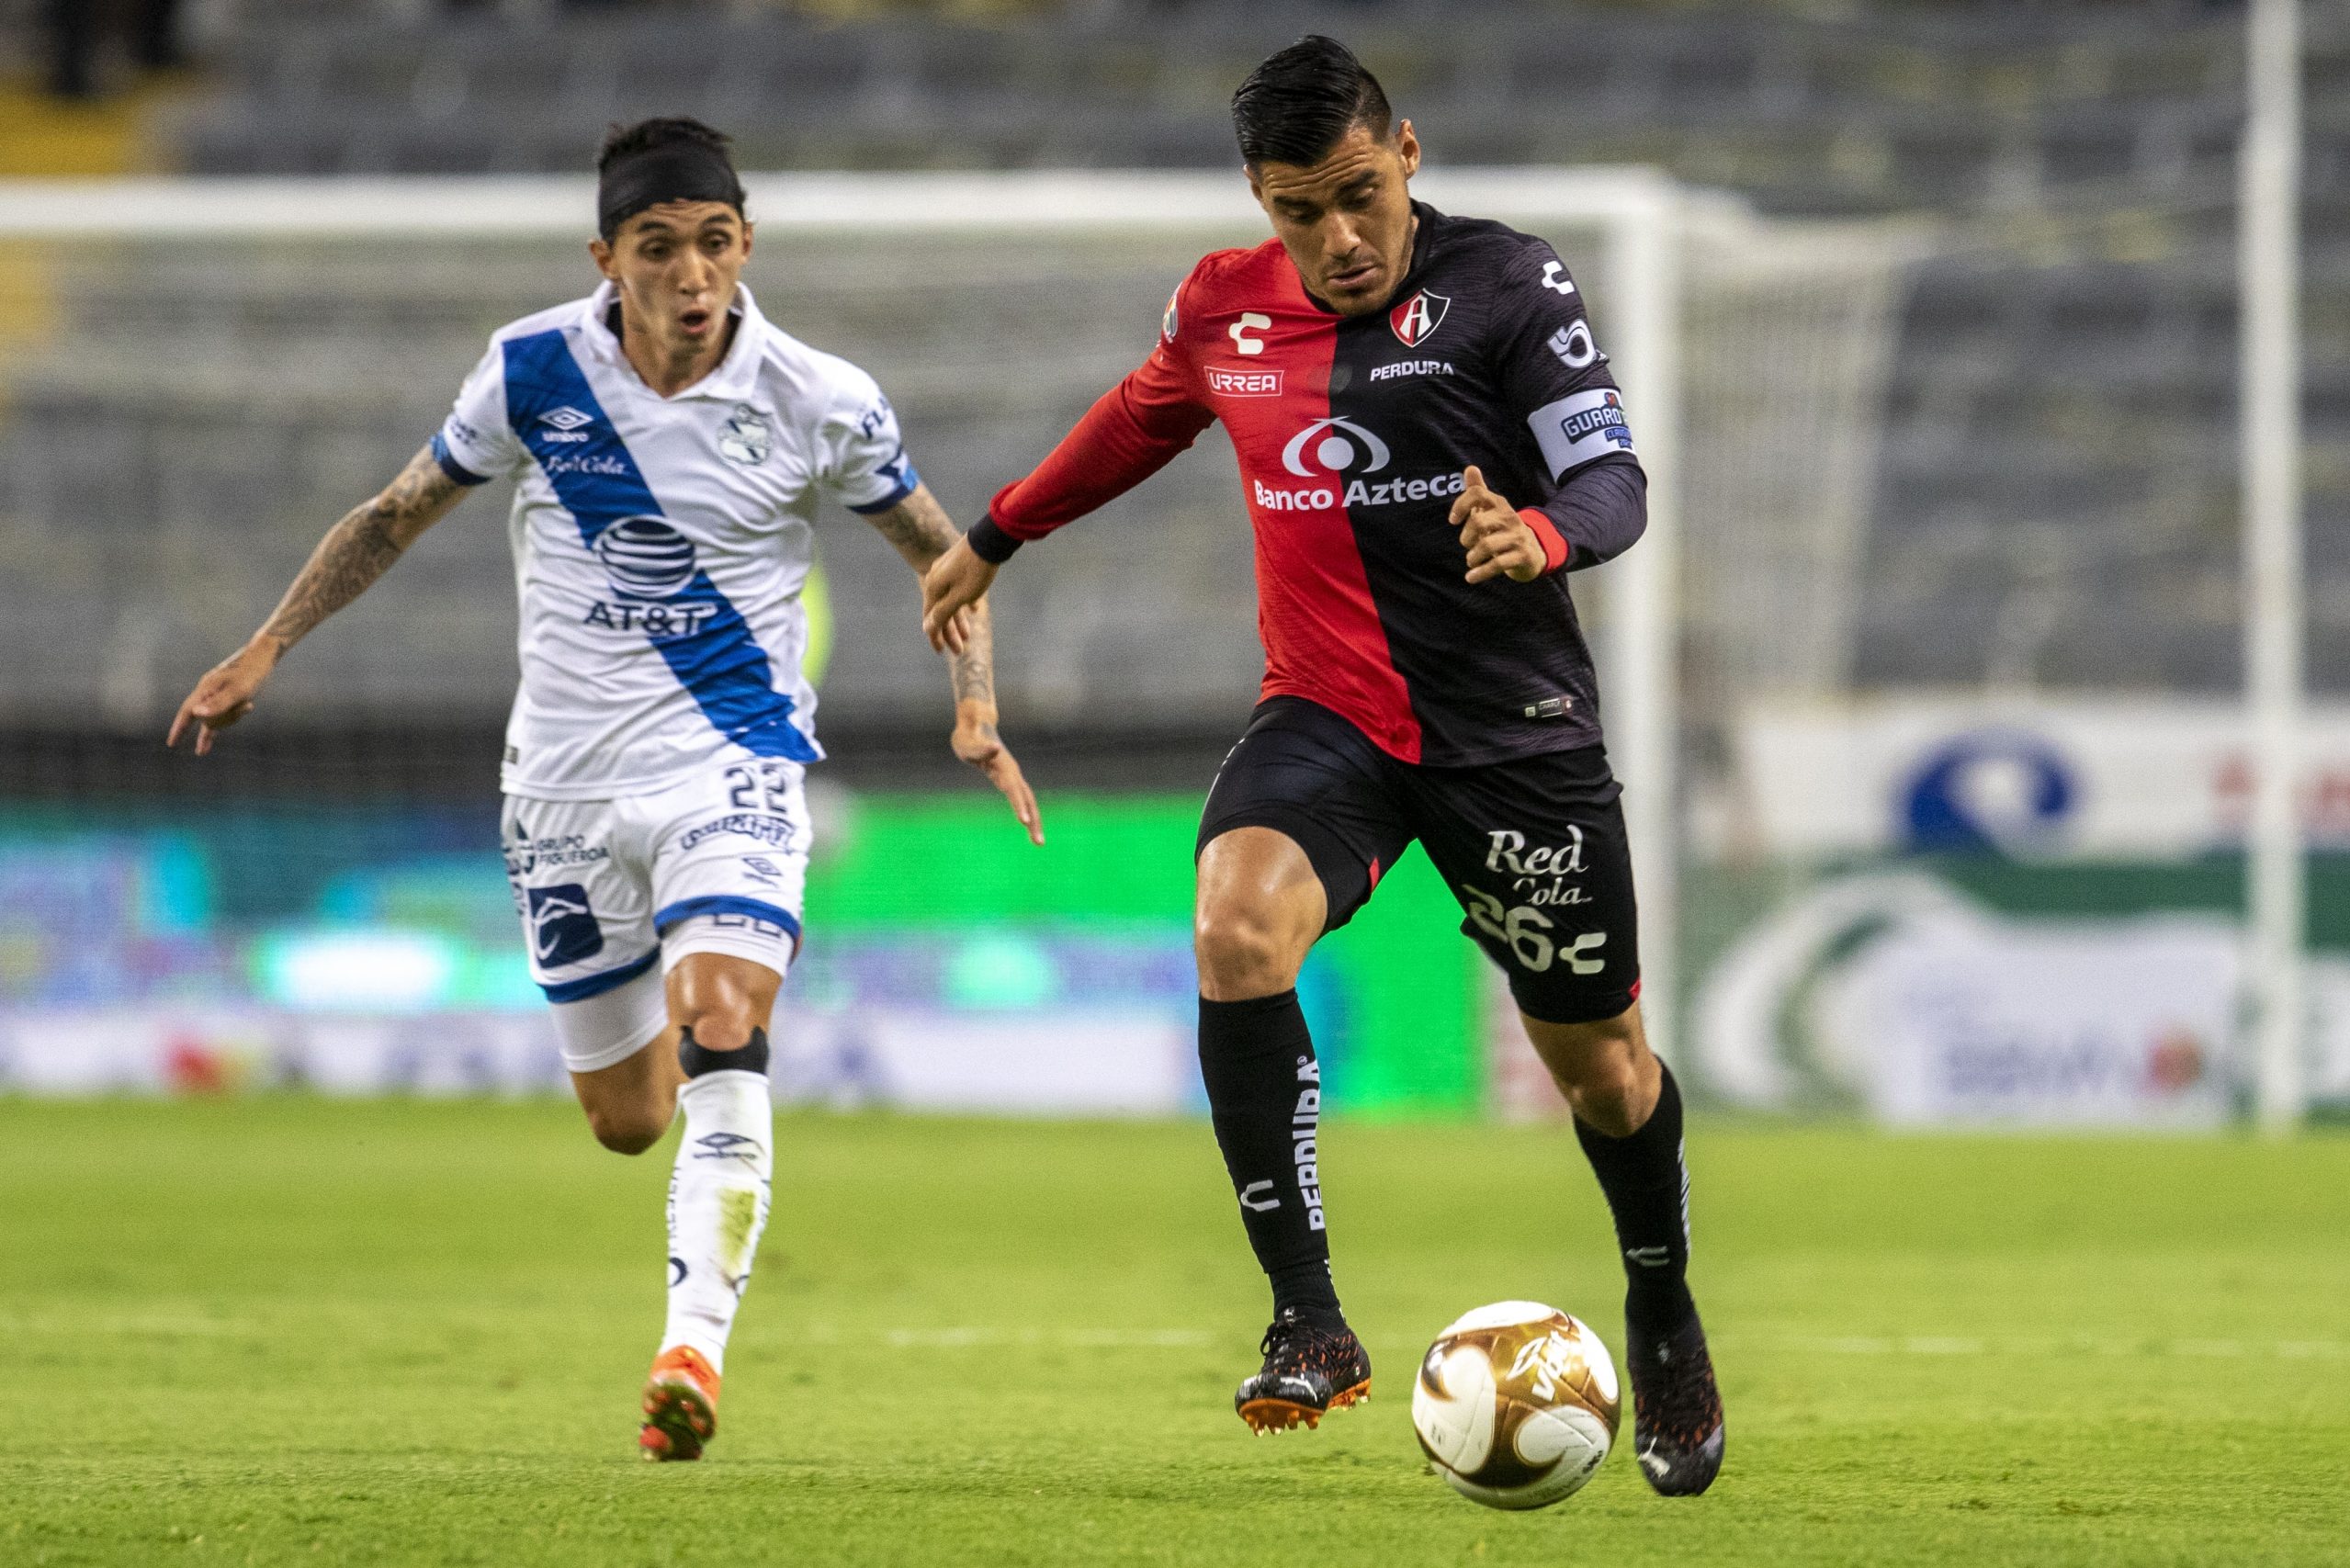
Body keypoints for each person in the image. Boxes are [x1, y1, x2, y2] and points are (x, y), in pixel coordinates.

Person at [167, 117, 1041, 1462]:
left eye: (712, 244)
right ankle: (687, 1212)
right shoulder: (530, 373)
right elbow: (395, 514)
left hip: (733, 767)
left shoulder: (822, 396)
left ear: (745, 244)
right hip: (562, 795)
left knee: (722, 1014)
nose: (691, 276)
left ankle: (691, 1349)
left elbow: (947, 555)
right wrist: (269, 644)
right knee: (630, 1120)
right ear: (606, 258)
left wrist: (974, 705)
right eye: (657, 249)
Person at [921, 37, 1723, 1494]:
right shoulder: (1222, 307)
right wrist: (996, 533)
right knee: (1234, 922)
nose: (1340, 239)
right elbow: (1140, 418)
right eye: (1303, 211)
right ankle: (1310, 1320)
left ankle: (1660, 1302)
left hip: (1510, 733)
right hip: (1331, 717)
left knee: (1600, 1070)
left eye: (1361, 194)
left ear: (1407, 151)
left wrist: (1541, 534)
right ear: (1258, 197)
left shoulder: (1510, 285)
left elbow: (1613, 477)